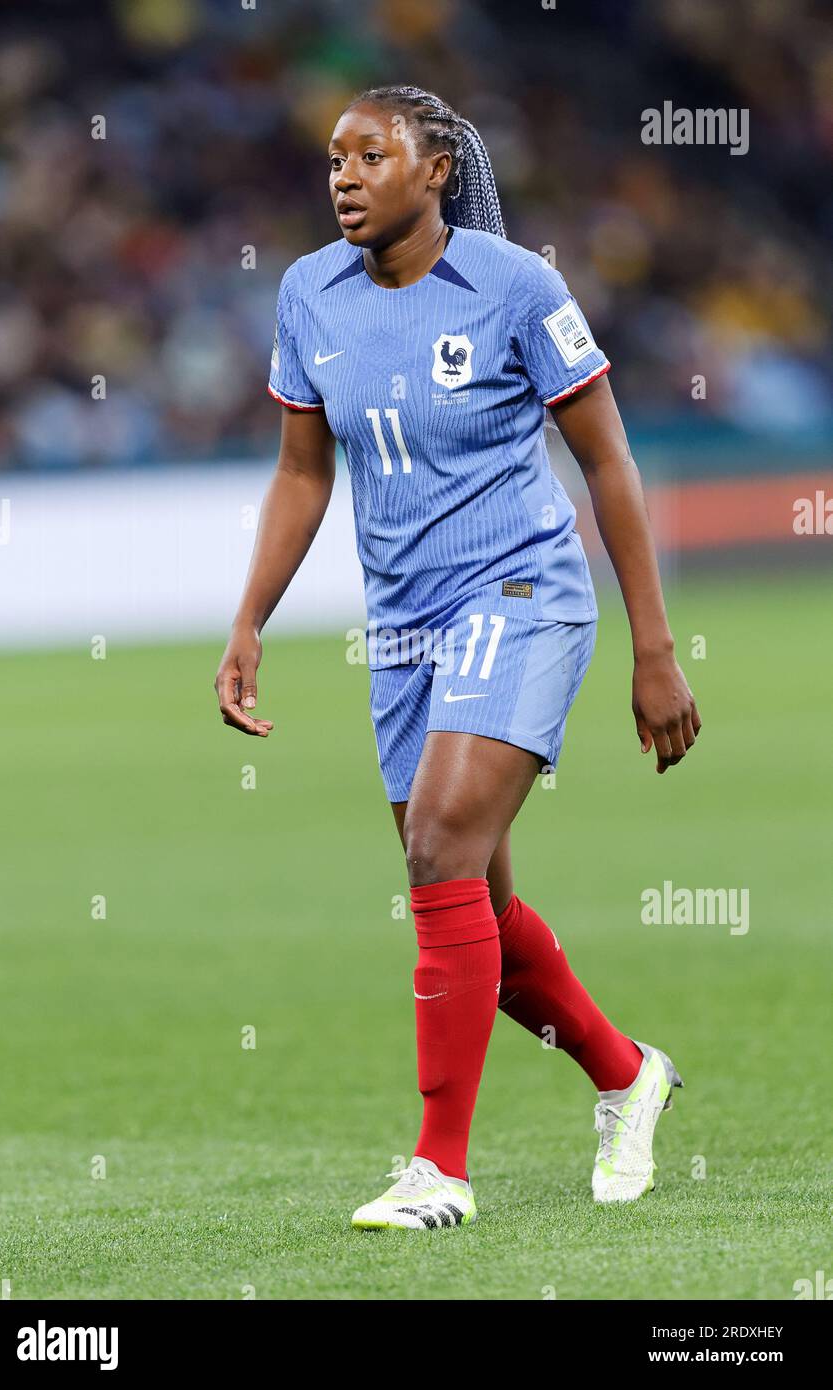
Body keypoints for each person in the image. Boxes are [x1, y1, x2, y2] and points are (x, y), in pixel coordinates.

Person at [215, 85, 700, 1231]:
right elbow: (300, 473)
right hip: (401, 629)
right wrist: (249, 621)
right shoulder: (307, 294)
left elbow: (609, 464)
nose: (342, 175)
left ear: (433, 170)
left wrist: (653, 649)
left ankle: (439, 1168)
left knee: (435, 846)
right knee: (467, 891)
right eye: (333, 157)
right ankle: (626, 1073)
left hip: (522, 593)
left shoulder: (514, 287)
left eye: (370, 155)